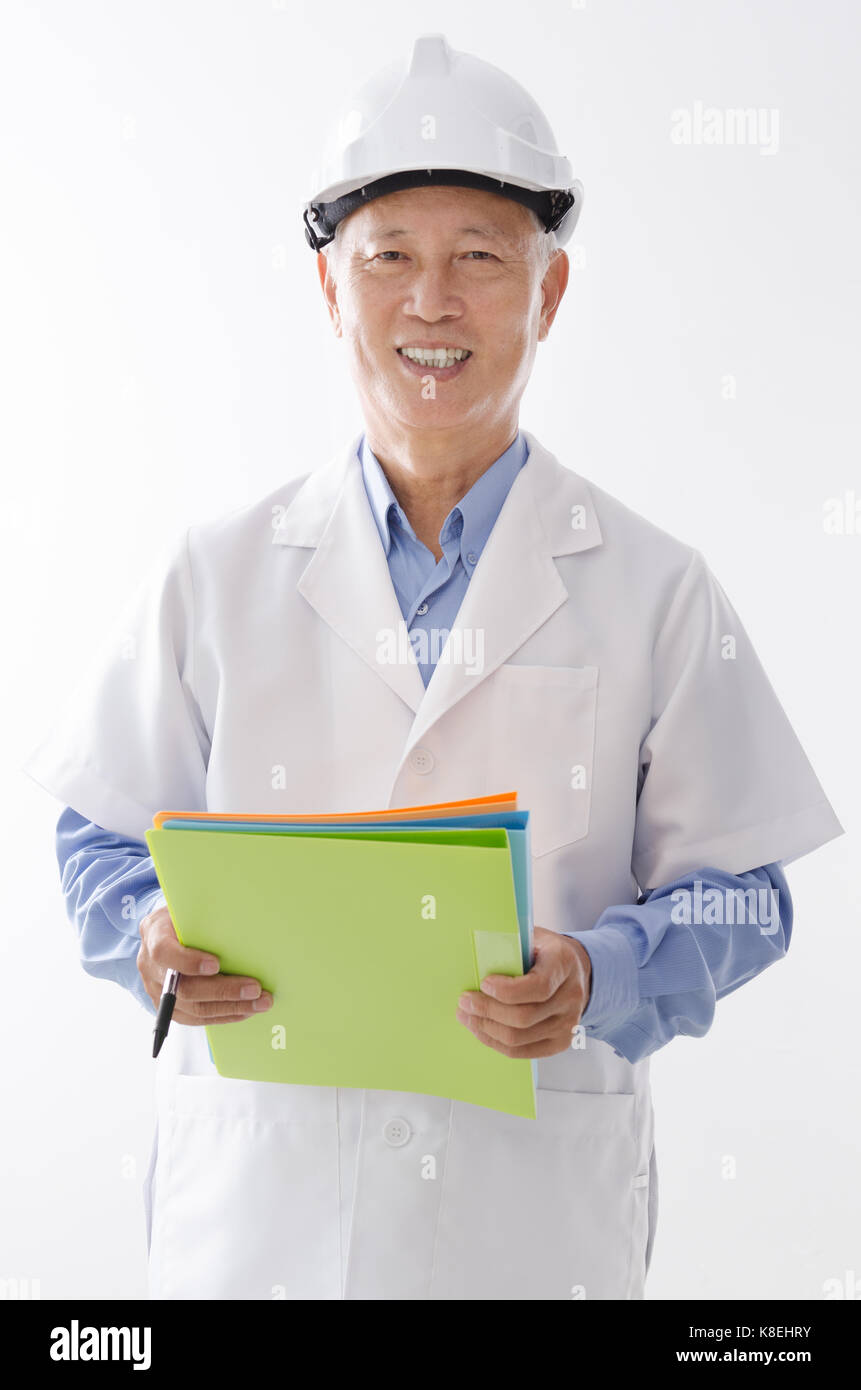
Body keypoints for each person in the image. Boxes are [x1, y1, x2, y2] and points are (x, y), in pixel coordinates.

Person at [26, 34, 842, 1300]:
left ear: (549, 293)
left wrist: (603, 976)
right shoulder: (213, 574)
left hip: (529, 1225)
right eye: (388, 259)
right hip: (258, 1223)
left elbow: (748, 895)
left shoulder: (657, 587)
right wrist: (146, 935)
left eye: (479, 259)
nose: (430, 304)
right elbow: (94, 838)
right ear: (328, 292)